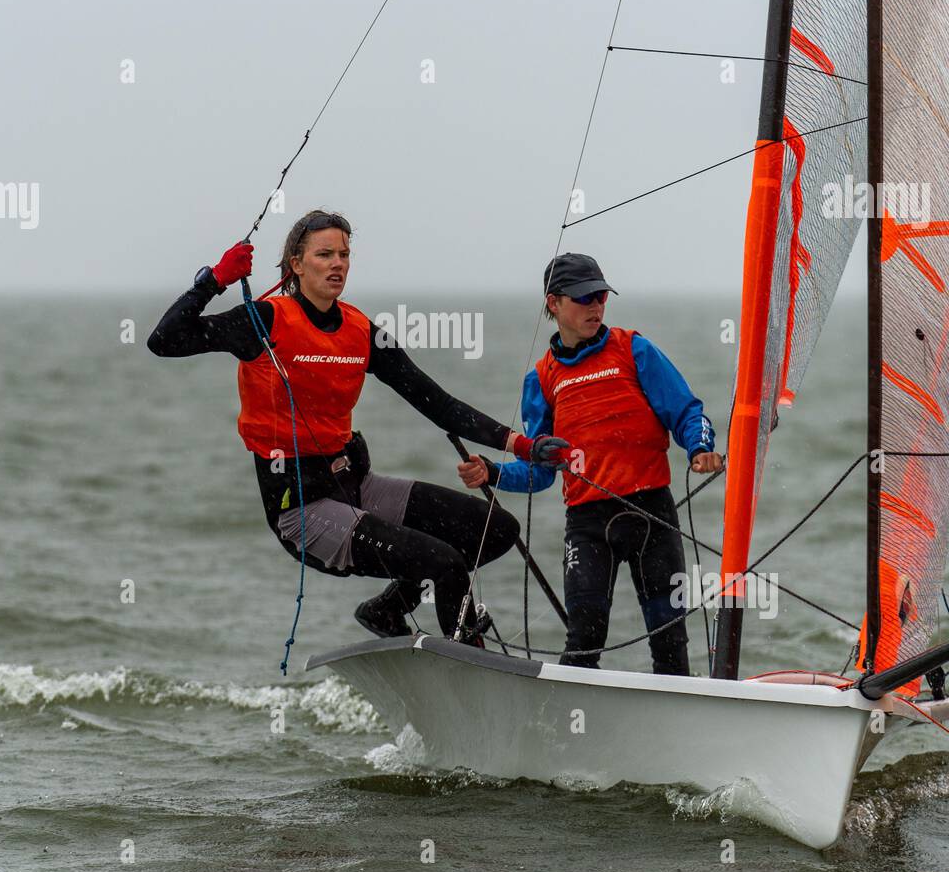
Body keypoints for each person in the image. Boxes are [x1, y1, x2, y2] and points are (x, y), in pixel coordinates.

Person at [147, 209, 564, 643]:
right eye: (324, 254)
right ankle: (472, 669)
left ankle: (387, 610)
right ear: (296, 263)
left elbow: (436, 403)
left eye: (344, 254)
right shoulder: (263, 321)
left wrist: (521, 445)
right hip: (302, 508)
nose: (337, 264)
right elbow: (164, 341)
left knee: (495, 529)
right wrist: (214, 280)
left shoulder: (361, 331)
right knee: (444, 564)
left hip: (356, 484)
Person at [457, 252, 723, 673]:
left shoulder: (634, 350)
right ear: (554, 304)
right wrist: (492, 472)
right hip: (587, 525)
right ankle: (564, 726)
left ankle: (675, 727)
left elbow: (687, 412)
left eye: (600, 296)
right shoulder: (542, 379)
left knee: (669, 640)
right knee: (584, 639)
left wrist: (699, 448)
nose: (596, 307)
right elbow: (541, 471)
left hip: (651, 514)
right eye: (583, 299)